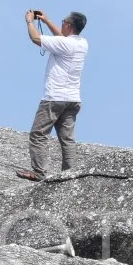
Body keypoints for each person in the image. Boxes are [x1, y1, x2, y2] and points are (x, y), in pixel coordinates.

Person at [17, 10, 89, 182]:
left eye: (63, 21)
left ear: (69, 25)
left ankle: (40, 172)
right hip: (73, 99)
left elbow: (36, 39)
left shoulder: (65, 45)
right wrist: (47, 21)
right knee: (67, 139)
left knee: (38, 134)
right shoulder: (82, 43)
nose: (62, 22)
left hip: (54, 98)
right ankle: (69, 175)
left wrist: (29, 22)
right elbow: (62, 39)